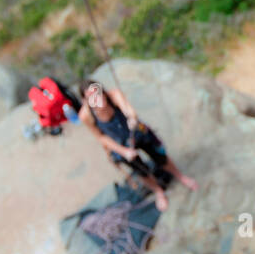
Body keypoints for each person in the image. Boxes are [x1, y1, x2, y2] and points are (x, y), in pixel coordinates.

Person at [77, 80, 198, 210]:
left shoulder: (114, 96)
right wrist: (124, 151)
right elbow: (101, 137)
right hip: (119, 144)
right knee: (140, 170)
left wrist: (132, 118)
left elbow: (127, 108)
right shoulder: (86, 115)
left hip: (135, 131)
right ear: (85, 101)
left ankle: (180, 176)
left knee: (159, 155)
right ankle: (158, 191)